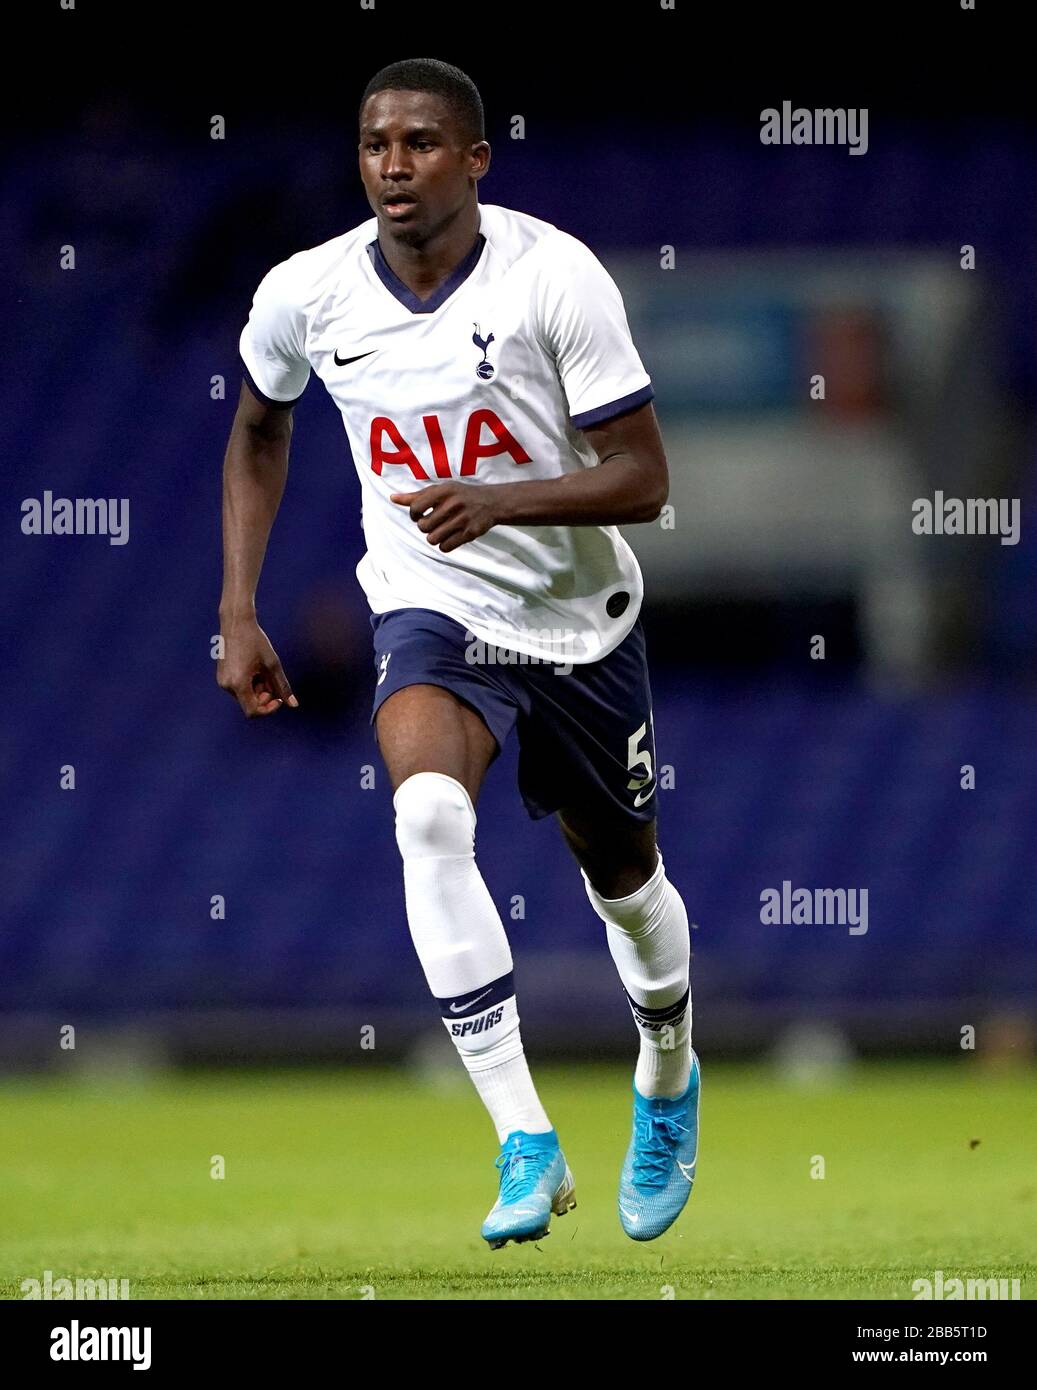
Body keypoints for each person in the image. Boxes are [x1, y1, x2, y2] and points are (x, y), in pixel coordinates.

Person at [218, 56, 699, 1247]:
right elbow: (257, 427)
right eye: (376, 143)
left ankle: (667, 1074)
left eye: (422, 143)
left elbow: (643, 478)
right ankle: (523, 1136)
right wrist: (238, 606)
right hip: (432, 616)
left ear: (474, 160)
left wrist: (500, 500)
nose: (393, 164)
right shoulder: (308, 292)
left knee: (625, 887)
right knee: (426, 817)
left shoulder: (554, 278)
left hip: (580, 625)